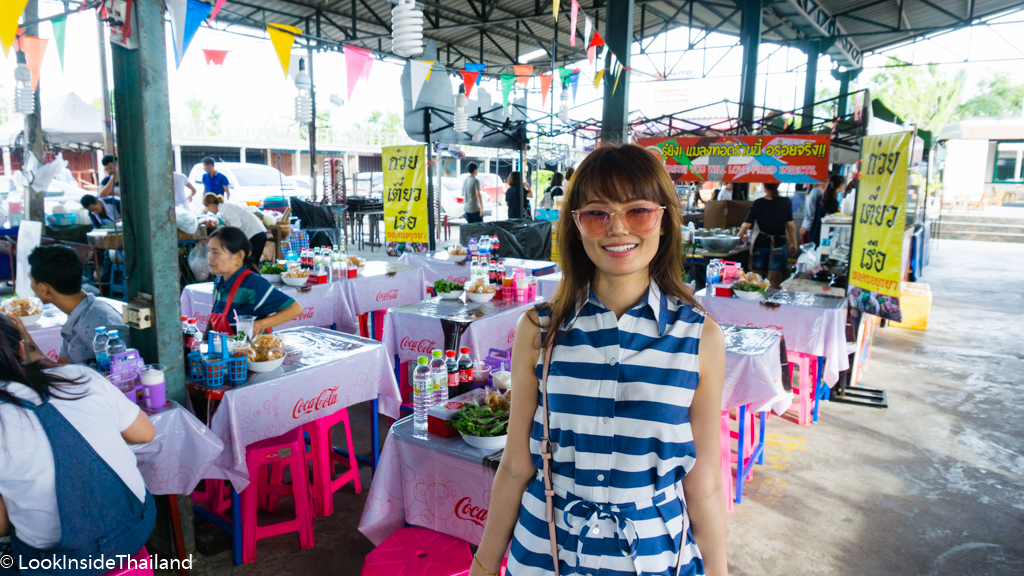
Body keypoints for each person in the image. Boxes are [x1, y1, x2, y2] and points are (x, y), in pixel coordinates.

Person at [470, 144, 727, 576]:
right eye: (596, 213)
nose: (617, 228)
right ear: (576, 227)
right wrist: (482, 566)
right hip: (544, 556)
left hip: (655, 558)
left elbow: (705, 486)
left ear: (664, 220)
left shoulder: (700, 337)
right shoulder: (539, 330)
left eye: (638, 211)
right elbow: (515, 466)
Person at [0, 314, 156, 572]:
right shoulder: (79, 376)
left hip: (59, 561)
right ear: (20, 349)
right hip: (135, 528)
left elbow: (3, 525)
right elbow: (145, 433)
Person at [8, 246, 123, 366]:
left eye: (31, 280)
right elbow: (61, 368)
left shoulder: (98, 325)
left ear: (43, 288)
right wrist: (23, 333)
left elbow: (119, 374)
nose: (31, 286)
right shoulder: (78, 312)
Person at [207, 226, 302, 335]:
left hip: (252, 346)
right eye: (209, 251)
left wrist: (258, 325)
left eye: (216, 252)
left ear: (238, 256)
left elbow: (295, 309)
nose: (210, 257)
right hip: (223, 346)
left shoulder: (254, 284)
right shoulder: (219, 283)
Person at [739, 182, 798, 289]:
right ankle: (770, 299)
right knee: (773, 280)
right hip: (778, 244)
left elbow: (746, 225)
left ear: (764, 186)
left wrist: (738, 237)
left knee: (755, 279)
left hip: (760, 244)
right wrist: (794, 243)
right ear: (778, 186)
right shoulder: (785, 202)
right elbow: (790, 225)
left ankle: (754, 299)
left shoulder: (758, 203)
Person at [204, 193, 268, 264]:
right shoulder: (223, 208)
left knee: (251, 262)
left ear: (209, 204)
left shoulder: (225, 208)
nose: (208, 210)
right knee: (250, 262)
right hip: (256, 233)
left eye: (207, 207)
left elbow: (236, 224)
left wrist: (224, 232)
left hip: (255, 233)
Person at [809, 174, 846, 246]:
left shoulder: (822, 197)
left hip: (814, 232)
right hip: (822, 237)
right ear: (841, 185)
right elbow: (828, 218)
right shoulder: (833, 201)